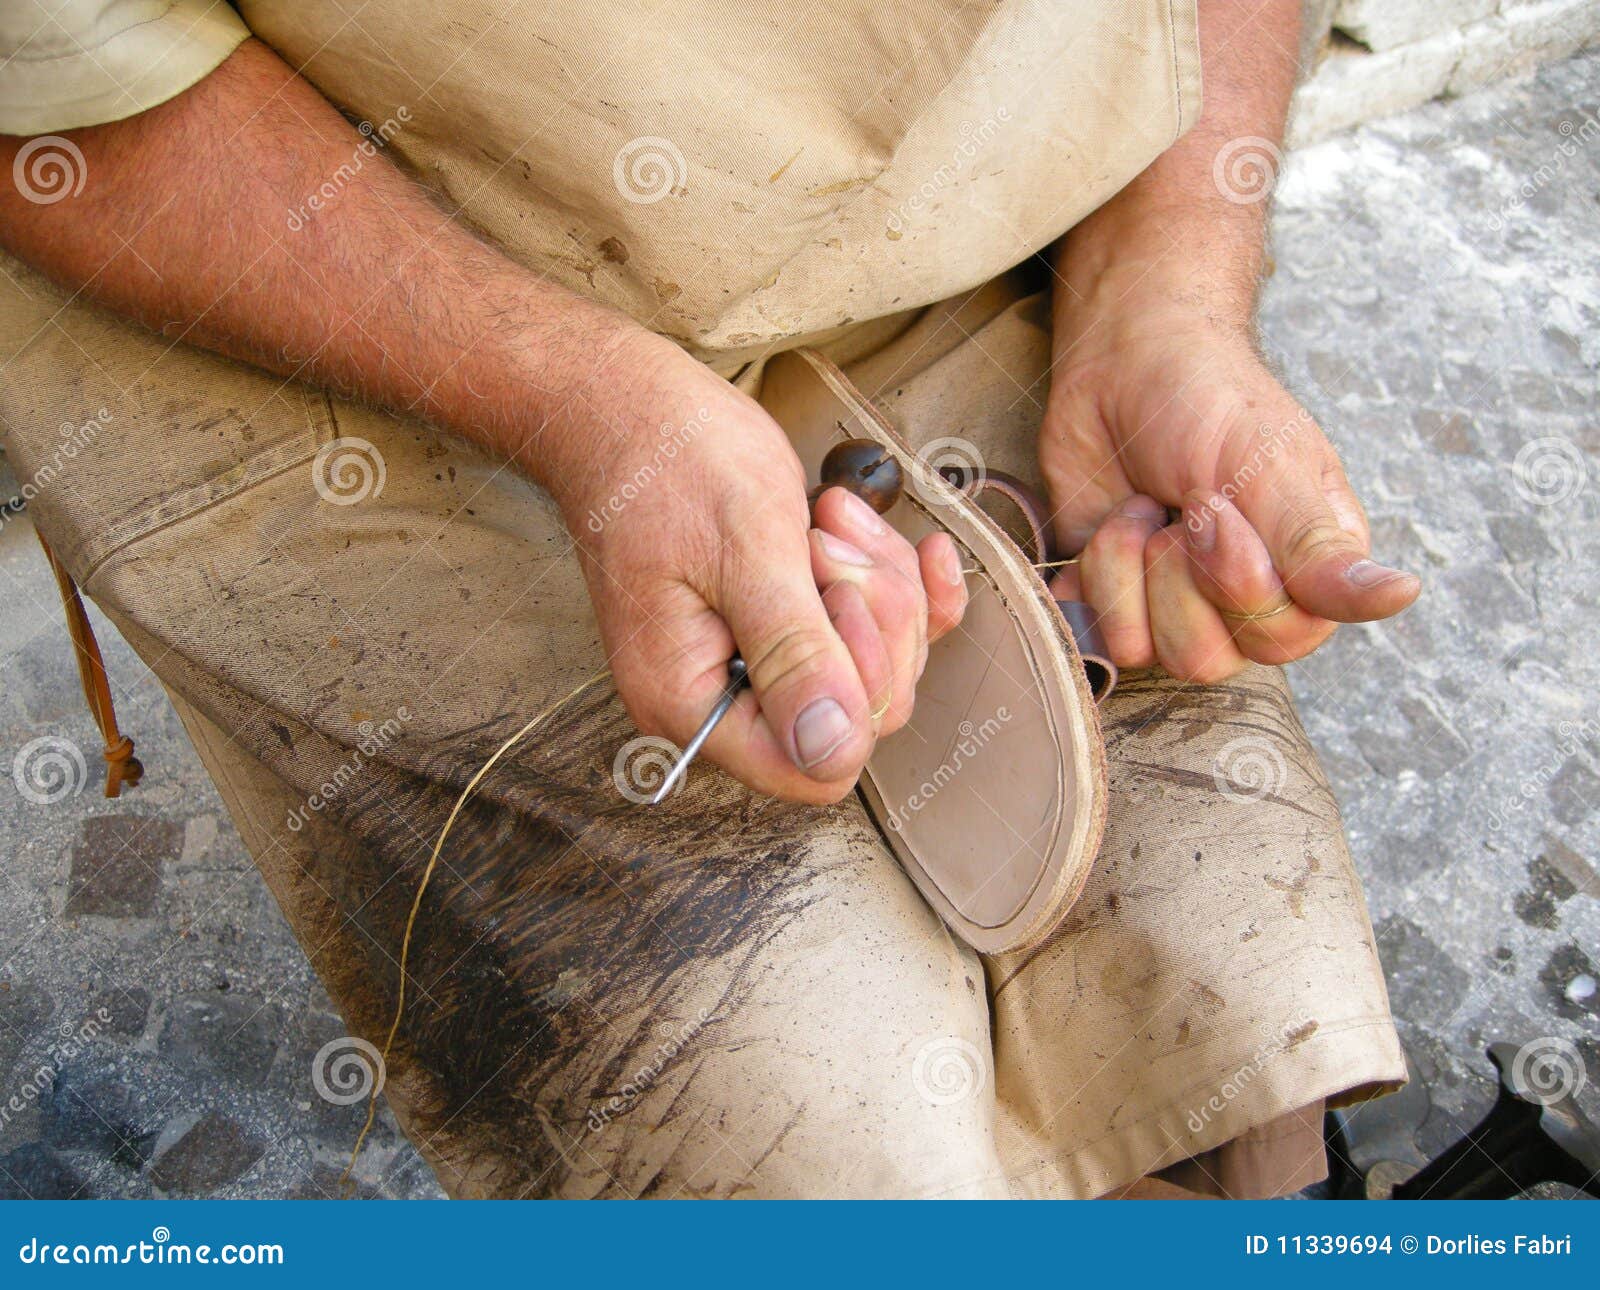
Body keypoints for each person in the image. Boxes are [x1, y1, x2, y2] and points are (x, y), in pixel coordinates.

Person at [0, 0, 1417, 1197]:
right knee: (803, 1115)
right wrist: (585, 411)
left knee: (1235, 1005)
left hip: (975, 188)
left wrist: (1166, 286)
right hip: (353, 273)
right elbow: (58, 87)